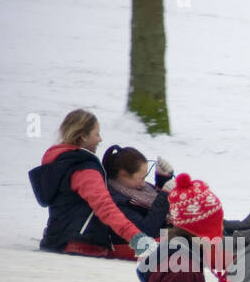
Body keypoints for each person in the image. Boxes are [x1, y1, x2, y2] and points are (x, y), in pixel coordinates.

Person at [28, 109, 156, 259]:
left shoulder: (59, 163)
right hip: (82, 245)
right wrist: (136, 238)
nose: (100, 139)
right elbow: (105, 208)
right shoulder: (84, 169)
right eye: (96, 134)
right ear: (83, 136)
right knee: (171, 249)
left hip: (56, 239)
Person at [102, 145, 250, 245]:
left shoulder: (135, 189)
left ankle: (242, 225)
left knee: (197, 215)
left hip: (167, 227)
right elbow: (146, 229)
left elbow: (154, 206)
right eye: (142, 177)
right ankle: (243, 237)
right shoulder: (118, 201)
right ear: (123, 175)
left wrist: (162, 179)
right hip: (161, 235)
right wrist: (164, 195)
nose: (145, 182)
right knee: (192, 227)